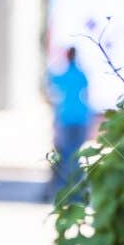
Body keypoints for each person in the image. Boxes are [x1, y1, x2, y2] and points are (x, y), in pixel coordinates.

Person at [45, 44, 93, 199]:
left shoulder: (62, 75)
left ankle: (64, 192)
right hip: (81, 119)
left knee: (65, 156)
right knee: (76, 155)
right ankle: (78, 192)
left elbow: (49, 84)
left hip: (65, 119)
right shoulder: (81, 74)